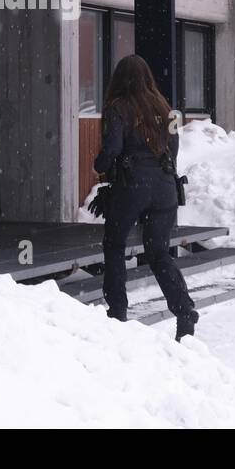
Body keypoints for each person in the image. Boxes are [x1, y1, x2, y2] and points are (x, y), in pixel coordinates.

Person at [91, 54, 199, 341]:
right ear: (148, 78)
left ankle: (117, 311)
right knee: (159, 254)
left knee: (114, 246)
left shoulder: (117, 108)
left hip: (131, 187)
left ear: (119, 80)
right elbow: (174, 150)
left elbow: (112, 148)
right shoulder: (167, 110)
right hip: (165, 188)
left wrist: (99, 165)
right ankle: (184, 312)